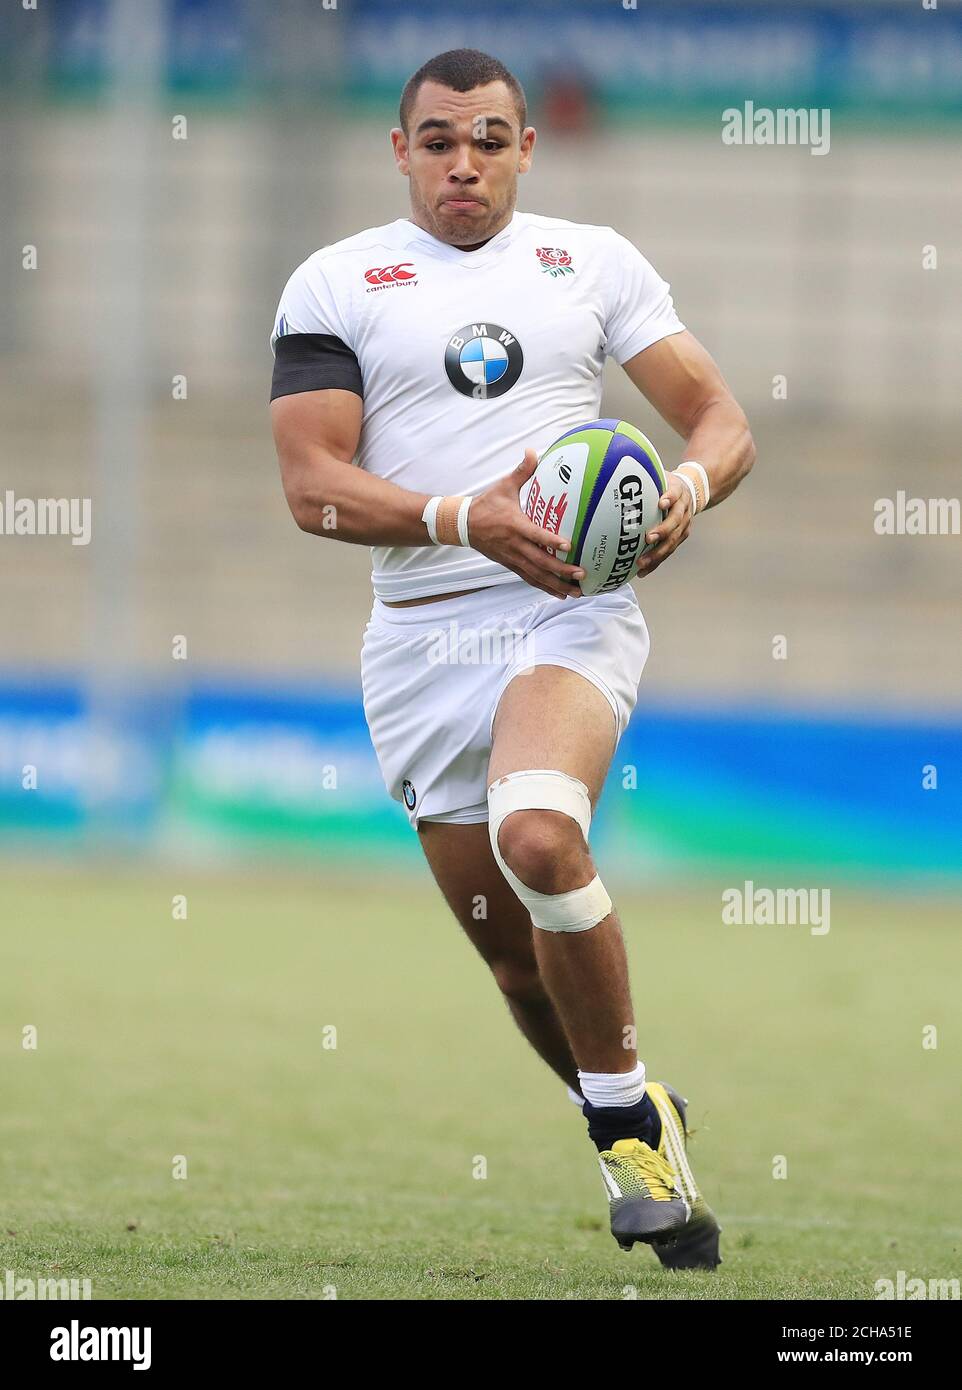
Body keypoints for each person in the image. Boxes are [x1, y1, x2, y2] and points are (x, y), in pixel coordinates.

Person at [269, 48, 755, 1269]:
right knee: (511, 962)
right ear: (400, 152)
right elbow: (309, 485)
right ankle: (629, 1104)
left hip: (565, 613)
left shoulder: (590, 262)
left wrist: (683, 490)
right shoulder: (335, 282)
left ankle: (622, 1132)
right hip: (421, 637)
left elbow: (720, 419)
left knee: (539, 834)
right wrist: (458, 516)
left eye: (489, 138)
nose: (464, 163)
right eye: (437, 140)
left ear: (526, 148)